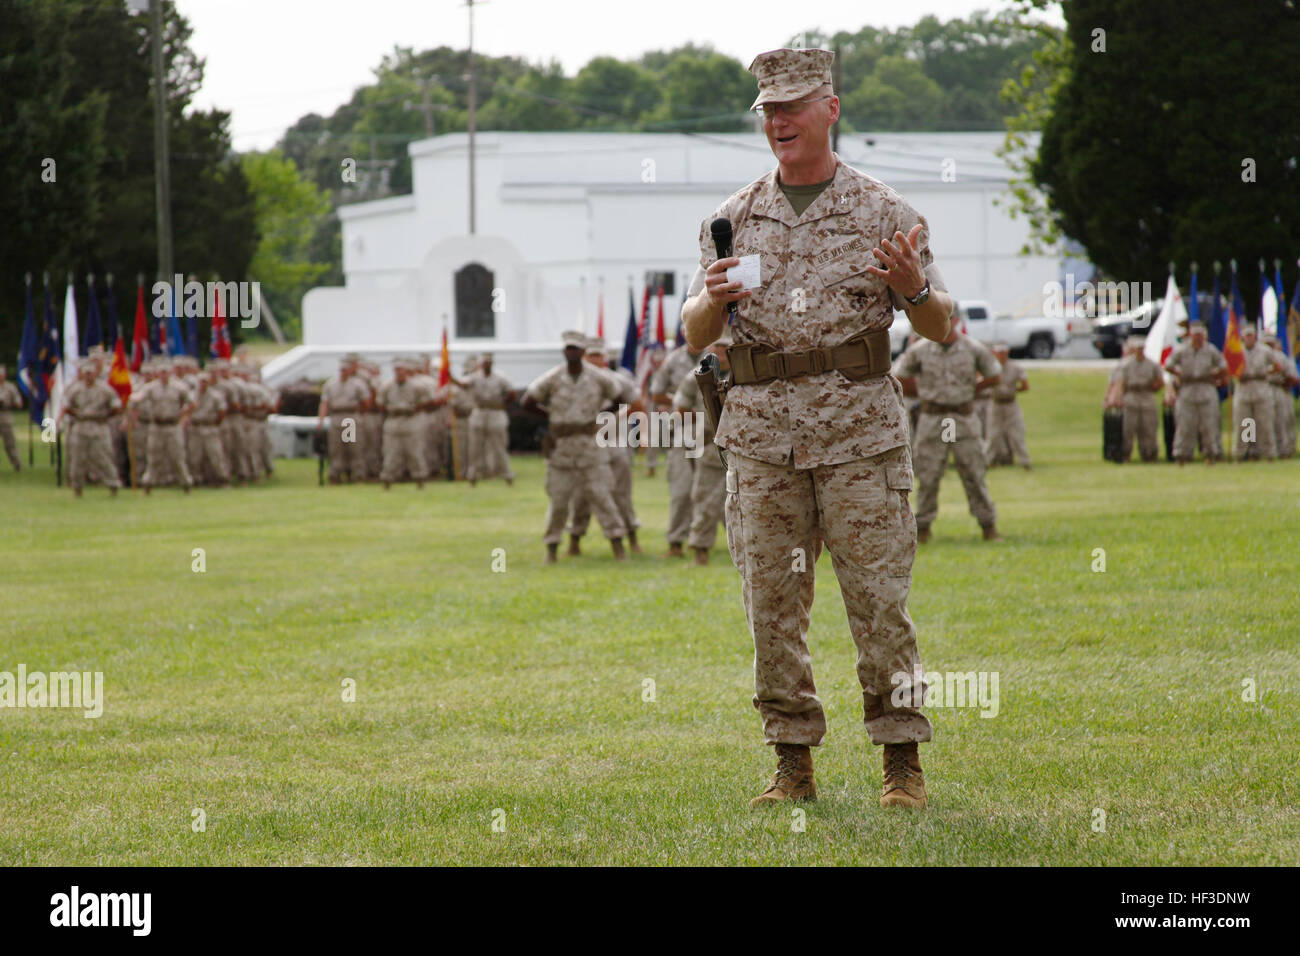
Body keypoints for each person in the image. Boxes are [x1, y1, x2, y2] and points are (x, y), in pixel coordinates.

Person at [681, 48, 953, 811]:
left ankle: (902, 761)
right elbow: (695, 331)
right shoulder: (731, 219)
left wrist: (914, 288)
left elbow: (941, 327)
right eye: (768, 109)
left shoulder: (885, 213)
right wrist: (710, 298)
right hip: (763, 438)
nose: (779, 121)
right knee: (771, 603)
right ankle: (791, 762)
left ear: (830, 107)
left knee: (878, 600)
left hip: (859, 438)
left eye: (793, 105)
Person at [522, 331, 633, 564]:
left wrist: (601, 416)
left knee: (601, 495)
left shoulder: (597, 377)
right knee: (559, 500)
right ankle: (552, 548)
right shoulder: (552, 378)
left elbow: (620, 396)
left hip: (589, 445)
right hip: (561, 446)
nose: (572, 352)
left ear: (582, 352)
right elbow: (528, 401)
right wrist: (551, 417)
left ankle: (618, 545)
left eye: (576, 349)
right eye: (568, 349)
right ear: (564, 352)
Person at [894, 328, 1003, 542]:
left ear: (955, 320)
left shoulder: (973, 348)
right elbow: (900, 376)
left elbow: (994, 376)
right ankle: (923, 527)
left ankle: (988, 525)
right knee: (928, 474)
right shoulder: (920, 350)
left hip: (962, 417)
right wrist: (924, 394)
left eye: (948, 317)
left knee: (973, 472)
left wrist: (971, 390)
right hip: (934, 417)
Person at [567, 337, 643, 555]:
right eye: (591, 355)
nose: (595, 359)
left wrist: (612, 418)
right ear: (584, 356)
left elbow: (637, 404)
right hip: (584, 446)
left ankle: (632, 538)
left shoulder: (618, 381)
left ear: (605, 357)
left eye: (599, 355)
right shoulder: (576, 382)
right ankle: (575, 541)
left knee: (621, 493)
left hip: (614, 443)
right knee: (581, 494)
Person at [673, 330, 730, 564]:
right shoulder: (696, 375)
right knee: (704, 499)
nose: (720, 352)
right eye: (716, 347)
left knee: (745, 501)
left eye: (725, 348)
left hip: (741, 450)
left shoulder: (746, 374)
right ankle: (700, 550)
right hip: (709, 447)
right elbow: (681, 406)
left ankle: (748, 550)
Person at [649, 340, 702, 557]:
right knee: (681, 490)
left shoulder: (720, 356)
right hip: (682, 430)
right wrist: (679, 401)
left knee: (717, 492)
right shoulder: (672, 360)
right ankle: (676, 542)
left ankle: (729, 542)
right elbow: (656, 393)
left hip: (713, 433)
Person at [1166, 321, 1227, 464]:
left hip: (1206, 388)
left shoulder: (1211, 350)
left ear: (1204, 336)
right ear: (1190, 335)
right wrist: (1179, 374)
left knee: (1209, 424)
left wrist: (1214, 375)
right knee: (1185, 424)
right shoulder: (1182, 350)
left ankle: (1210, 454)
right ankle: (1182, 455)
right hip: (1187, 389)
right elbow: (1168, 365)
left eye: (1200, 335)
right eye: (1195, 335)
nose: (1197, 338)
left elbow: (1224, 367)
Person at [130, 358, 194, 494]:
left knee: (178, 456)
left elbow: (191, 403)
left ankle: (185, 483)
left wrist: (184, 414)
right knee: (153, 457)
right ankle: (148, 484)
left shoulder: (179, 387)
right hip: (156, 426)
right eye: (161, 372)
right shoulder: (151, 387)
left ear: (170, 372)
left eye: (166, 372)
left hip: (173, 426)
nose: (164, 375)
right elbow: (138, 398)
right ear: (157, 373)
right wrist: (128, 396)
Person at [60, 363, 122, 496]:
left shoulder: (105, 389)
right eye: (86, 373)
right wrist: (76, 413)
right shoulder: (75, 389)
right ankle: (77, 487)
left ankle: (113, 484)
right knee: (78, 458)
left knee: (104, 456)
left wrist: (105, 415)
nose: (88, 376)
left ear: (95, 373)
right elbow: (66, 406)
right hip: (81, 426)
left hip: (99, 426)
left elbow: (117, 406)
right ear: (82, 374)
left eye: (90, 373)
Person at [456, 352, 516, 486]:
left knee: (499, 445)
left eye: (488, 362)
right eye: (484, 362)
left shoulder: (500, 378)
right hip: (479, 411)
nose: (486, 365)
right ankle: (473, 475)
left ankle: (507, 474)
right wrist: (449, 376)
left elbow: (512, 393)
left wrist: (503, 404)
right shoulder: (475, 377)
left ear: (492, 363)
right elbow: (463, 384)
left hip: (495, 412)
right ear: (481, 364)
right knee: (475, 446)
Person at [1106, 335, 1164, 463]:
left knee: (1149, 427)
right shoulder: (1126, 365)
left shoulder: (1152, 364)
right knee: (1128, 428)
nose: (1139, 351)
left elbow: (1160, 381)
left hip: (1147, 395)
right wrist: (1116, 398)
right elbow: (1119, 383)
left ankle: (1149, 454)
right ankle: (1125, 454)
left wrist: (1152, 388)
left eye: (1141, 348)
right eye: (1137, 348)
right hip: (1131, 396)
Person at [1232, 325, 1283, 461]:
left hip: (1261, 388)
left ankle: (1269, 453)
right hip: (1243, 388)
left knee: (1265, 423)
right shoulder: (1238, 350)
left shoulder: (1265, 351)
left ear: (1255, 336)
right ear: (1242, 337)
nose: (1249, 338)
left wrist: (1266, 372)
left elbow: (1278, 366)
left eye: (1251, 335)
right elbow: (1230, 367)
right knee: (1244, 424)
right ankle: (1242, 454)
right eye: (1246, 335)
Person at [378, 358, 428, 489]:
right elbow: (380, 403)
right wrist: (390, 410)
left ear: (406, 371)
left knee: (415, 452)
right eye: (396, 370)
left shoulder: (417, 386)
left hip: (410, 420)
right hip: (393, 420)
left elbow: (425, 402)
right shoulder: (387, 386)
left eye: (401, 369)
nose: (399, 372)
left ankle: (419, 478)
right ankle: (387, 479)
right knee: (391, 453)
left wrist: (413, 409)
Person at [318, 354, 367, 483]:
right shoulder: (331, 384)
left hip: (350, 418)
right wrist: (321, 420)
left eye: (345, 370)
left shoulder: (357, 384)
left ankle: (356, 473)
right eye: (341, 370)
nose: (343, 372)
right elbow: (325, 403)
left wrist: (358, 415)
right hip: (336, 417)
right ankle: (336, 473)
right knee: (336, 448)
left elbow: (365, 402)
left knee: (353, 447)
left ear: (350, 370)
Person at [986, 341, 1031, 469]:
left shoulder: (1015, 367)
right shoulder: (990, 367)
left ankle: (1025, 462)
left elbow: (1025, 386)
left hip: (1011, 403)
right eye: (999, 352)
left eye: (1003, 352)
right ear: (994, 353)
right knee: (993, 435)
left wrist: (1011, 391)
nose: (1001, 355)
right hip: (995, 403)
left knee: (1017, 434)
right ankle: (989, 462)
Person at [1262, 333, 1299, 458]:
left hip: (1278, 390)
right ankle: (1262, 450)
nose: (1268, 345)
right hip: (1262, 389)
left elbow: (1293, 377)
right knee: (1260, 422)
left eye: (1270, 343)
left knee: (1281, 420)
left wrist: (1285, 382)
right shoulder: (1259, 355)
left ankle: (1284, 449)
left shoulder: (1281, 357)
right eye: (1265, 343)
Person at [0, 364, 22, 471]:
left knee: (10, 443)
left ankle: (16, 463)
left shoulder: (10, 387)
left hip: (5, 416)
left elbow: (18, 403)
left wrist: (9, 403)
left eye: (1, 375)